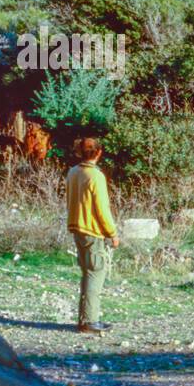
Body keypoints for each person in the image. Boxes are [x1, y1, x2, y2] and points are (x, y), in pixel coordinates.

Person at [66, 137, 119, 333]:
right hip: (92, 230)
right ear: (98, 152)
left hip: (77, 228)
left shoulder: (73, 172)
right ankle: (89, 321)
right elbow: (102, 209)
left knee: (88, 272)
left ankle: (85, 319)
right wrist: (112, 233)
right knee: (96, 273)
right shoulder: (96, 176)